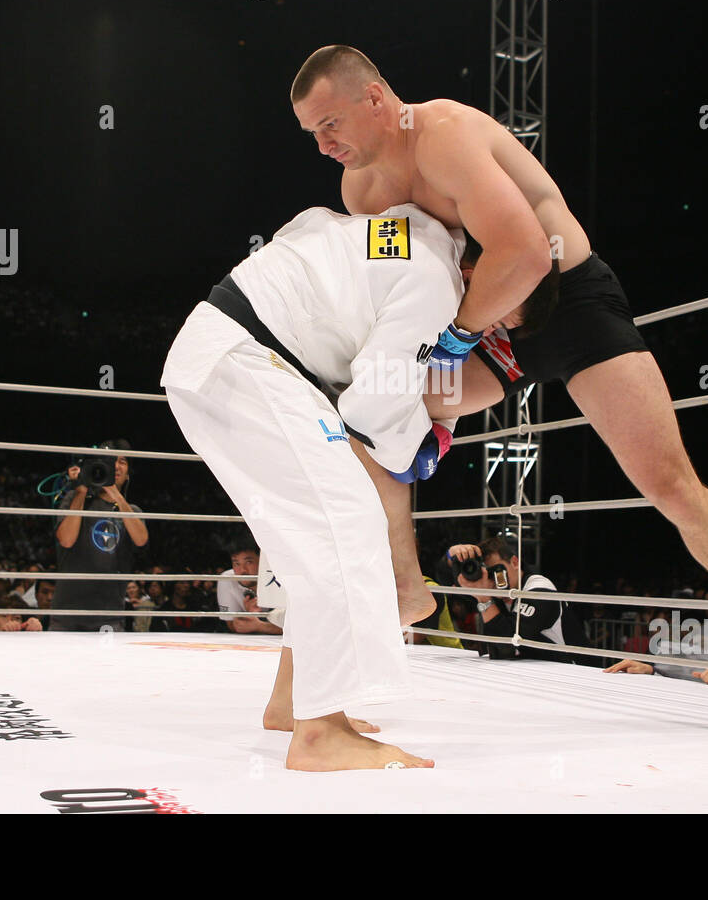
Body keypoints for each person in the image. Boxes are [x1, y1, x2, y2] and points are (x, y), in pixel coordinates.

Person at [289, 44, 708, 702]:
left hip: (567, 306)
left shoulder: (444, 135)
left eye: (329, 124)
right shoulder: (361, 192)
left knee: (670, 485)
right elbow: (391, 282)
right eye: (312, 132)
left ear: (374, 98)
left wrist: (456, 336)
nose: (323, 145)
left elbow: (527, 254)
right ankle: (406, 580)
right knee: (372, 408)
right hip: (483, 328)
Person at [162, 202, 491, 771]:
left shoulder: (406, 230)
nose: (484, 329)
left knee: (321, 537)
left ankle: (294, 702)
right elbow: (371, 407)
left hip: (234, 350)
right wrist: (419, 445)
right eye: (497, 317)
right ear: (473, 275)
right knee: (346, 524)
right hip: (249, 360)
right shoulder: (439, 280)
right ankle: (321, 732)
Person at [446, 535, 589, 665]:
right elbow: (445, 580)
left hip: (576, 673)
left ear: (514, 562)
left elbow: (507, 645)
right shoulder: (490, 588)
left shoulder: (540, 590)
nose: (492, 580)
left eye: (497, 572)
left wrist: (484, 599)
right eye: (486, 574)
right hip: (536, 672)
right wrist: (452, 554)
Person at [52, 440, 148, 632]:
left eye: (122, 461)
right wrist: (80, 490)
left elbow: (141, 539)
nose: (116, 466)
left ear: (128, 474)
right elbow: (66, 540)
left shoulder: (132, 511)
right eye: (110, 461)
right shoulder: (74, 500)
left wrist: (116, 495)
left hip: (110, 615)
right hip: (67, 613)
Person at [216, 541, 283, 636]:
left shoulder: (280, 578)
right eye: (236, 563)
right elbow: (232, 625)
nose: (242, 570)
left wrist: (260, 626)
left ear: (263, 561)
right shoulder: (227, 579)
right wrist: (249, 616)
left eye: (249, 562)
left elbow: (298, 626)